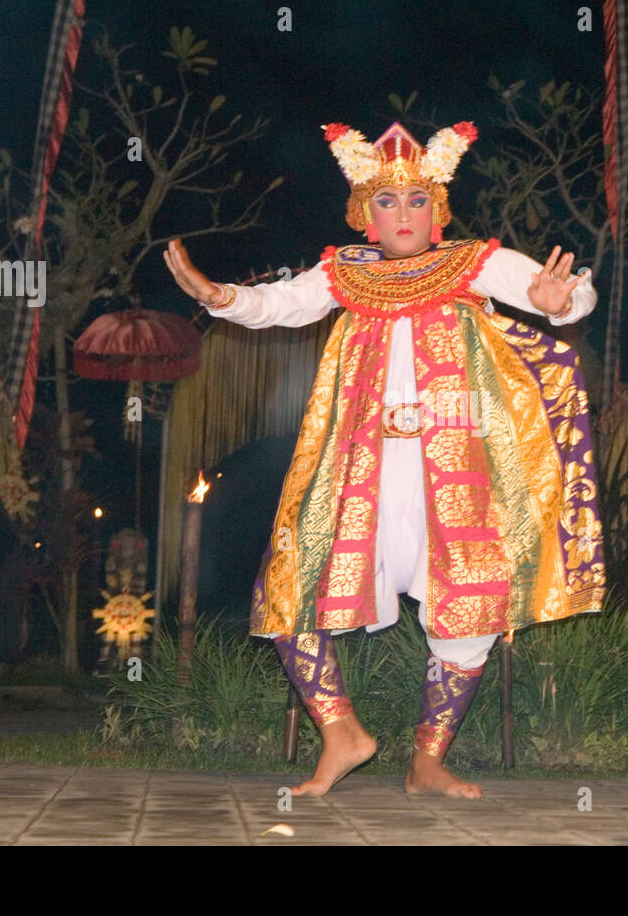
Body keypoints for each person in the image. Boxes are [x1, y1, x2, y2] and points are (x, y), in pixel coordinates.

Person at [164, 120, 605, 799]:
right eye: (388, 202)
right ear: (365, 215)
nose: (404, 214)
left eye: (418, 200)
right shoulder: (346, 273)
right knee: (287, 593)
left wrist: (564, 300)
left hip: (453, 474)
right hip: (363, 473)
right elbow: (278, 304)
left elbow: (561, 289)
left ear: (439, 210)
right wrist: (217, 296)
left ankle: (427, 760)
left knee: (471, 614)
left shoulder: (475, 263)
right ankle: (342, 733)